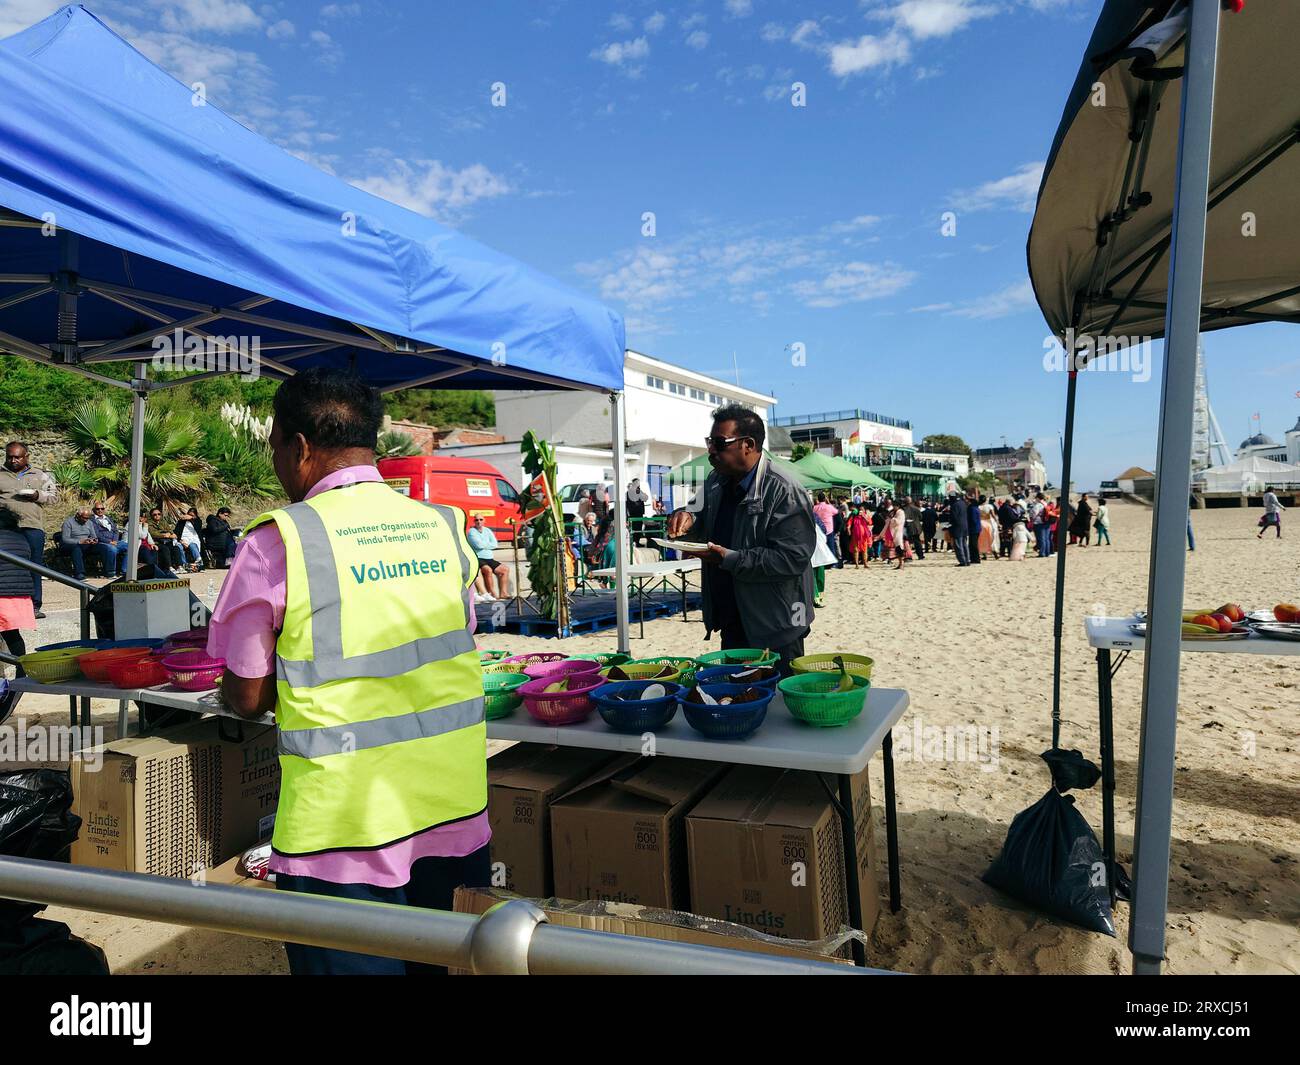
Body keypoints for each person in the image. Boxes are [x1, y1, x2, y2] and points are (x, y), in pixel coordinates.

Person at [208, 367, 489, 976]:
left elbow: (248, 696)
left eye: (276, 447)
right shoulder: (444, 529)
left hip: (342, 833)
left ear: (299, 447)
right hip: (453, 813)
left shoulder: (279, 541)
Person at [665, 404, 816, 675]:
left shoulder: (784, 489)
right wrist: (685, 517)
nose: (711, 450)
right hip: (731, 619)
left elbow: (792, 559)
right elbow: (696, 514)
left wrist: (731, 559)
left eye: (720, 443)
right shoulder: (714, 482)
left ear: (748, 444)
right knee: (739, 699)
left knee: (777, 708)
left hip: (776, 626)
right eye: (710, 441)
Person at [0, 442, 56, 618]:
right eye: (10, 456)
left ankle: (34, 605)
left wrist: (37, 495)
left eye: (17, 457)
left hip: (32, 527)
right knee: (5, 566)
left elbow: (55, 497)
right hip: (5, 528)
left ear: (27, 457)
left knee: (34, 566)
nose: (13, 460)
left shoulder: (39, 475)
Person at [0, 506, 35, 725]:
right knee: (13, 635)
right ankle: (21, 667)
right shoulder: (21, 537)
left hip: (1, 592)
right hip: (20, 593)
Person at [59, 505, 111, 579]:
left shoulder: (89, 523)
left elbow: (94, 536)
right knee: (76, 548)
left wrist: (94, 540)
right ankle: (79, 573)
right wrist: (80, 541)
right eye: (84, 518)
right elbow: (65, 539)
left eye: (88, 518)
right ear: (78, 515)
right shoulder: (68, 522)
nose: (86, 520)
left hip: (86, 544)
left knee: (104, 547)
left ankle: (108, 572)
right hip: (71, 545)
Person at [467, 514, 511, 600]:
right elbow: (478, 545)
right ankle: (492, 593)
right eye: (476, 520)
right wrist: (488, 545)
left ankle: (503, 593)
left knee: (505, 569)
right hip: (478, 557)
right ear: (474, 521)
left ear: (484, 521)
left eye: (481, 519)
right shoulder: (472, 531)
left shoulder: (487, 530)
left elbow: (495, 544)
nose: (479, 521)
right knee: (488, 570)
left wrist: (484, 545)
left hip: (489, 558)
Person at [91, 503, 130, 577]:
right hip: (101, 542)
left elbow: (115, 530)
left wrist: (115, 540)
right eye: (98, 509)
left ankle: (124, 571)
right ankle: (110, 573)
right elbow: (96, 534)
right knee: (112, 549)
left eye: (102, 508)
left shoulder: (108, 518)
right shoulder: (92, 520)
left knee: (129, 547)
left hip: (114, 541)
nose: (100, 510)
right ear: (93, 510)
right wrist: (109, 542)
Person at [148, 507, 184, 571]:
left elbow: (170, 531)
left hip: (167, 541)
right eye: (155, 514)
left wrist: (171, 534)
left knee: (176, 548)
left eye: (159, 514)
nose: (157, 516)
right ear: (151, 516)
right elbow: (153, 533)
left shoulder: (163, 522)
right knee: (165, 548)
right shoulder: (149, 523)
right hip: (156, 542)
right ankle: (169, 567)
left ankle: (179, 566)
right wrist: (164, 535)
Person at [175, 506, 205, 571]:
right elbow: (176, 533)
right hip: (182, 540)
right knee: (179, 547)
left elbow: (198, 527)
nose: (190, 516)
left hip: (193, 540)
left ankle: (199, 560)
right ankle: (183, 564)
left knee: (192, 545)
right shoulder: (181, 522)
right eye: (189, 514)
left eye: (192, 515)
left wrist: (192, 518)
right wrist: (181, 541)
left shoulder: (197, 521)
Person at [946, 484, 969, 566]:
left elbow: (954, 517)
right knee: (964, 544)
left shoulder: (954, 505)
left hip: (957, 527)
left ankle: (962, 561)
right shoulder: (963, 503)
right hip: (964, 526)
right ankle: (967, 560)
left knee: (958, 545)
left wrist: (949, 525)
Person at [903, 495, 925, 560]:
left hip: (908, 527)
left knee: (908, 542)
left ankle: (909, 556)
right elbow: (921, 517)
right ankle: (920, 555)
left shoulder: (904, 509)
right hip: (916, 527)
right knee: (917, 542)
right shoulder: (916, 508)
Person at [889, 503, 907, 570]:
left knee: (900, 547)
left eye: (895, 506)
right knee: (897, 548)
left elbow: (898, 522)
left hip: (899, 531)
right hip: (894, 531)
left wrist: (892, 518)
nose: (894, 507)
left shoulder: (901, 512)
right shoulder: (894, 512)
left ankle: (902, 563)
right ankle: (900, 563)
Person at [966, 489, 982, 565]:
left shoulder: (972, 509)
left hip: (974, 528)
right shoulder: (976, 508)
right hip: (976, 528)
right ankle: (974, 558)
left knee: (973, 544)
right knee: (973, 544)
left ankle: (975, 558)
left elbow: (972, 519)